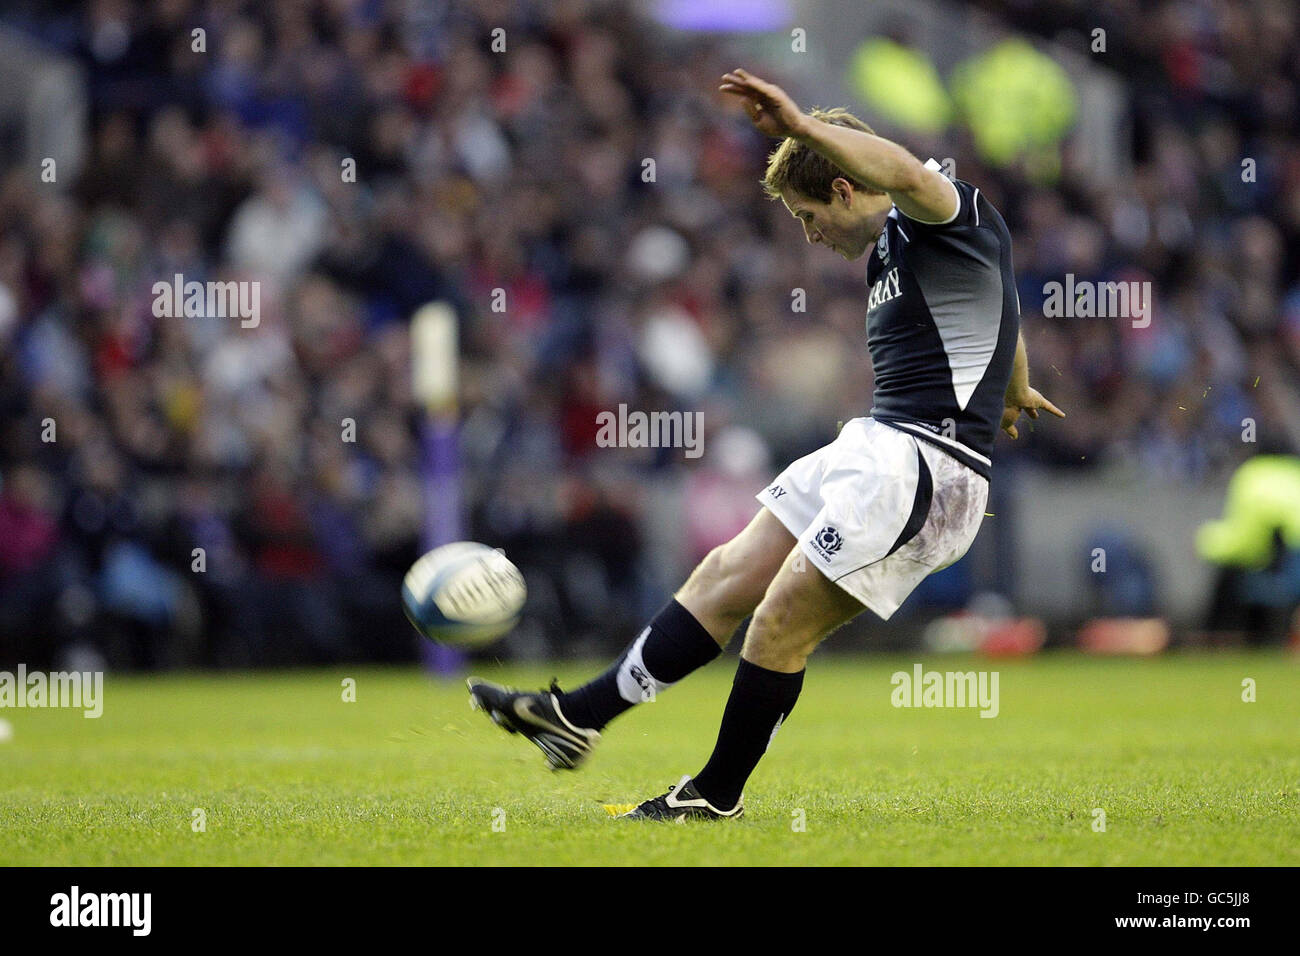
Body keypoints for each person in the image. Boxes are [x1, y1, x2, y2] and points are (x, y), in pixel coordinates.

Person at [468, 68, 1064, 820]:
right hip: (876, 444)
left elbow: (911, 173)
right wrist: (1014, 384)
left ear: (846, 188)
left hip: (927, 466)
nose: (810, 236)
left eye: (811, 216)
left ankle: (716, 797)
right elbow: (1001, 288)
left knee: (780, 621)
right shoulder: (905, 248)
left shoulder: (937, 208)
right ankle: (577, 717)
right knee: (727, 574)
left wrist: (805, 128)